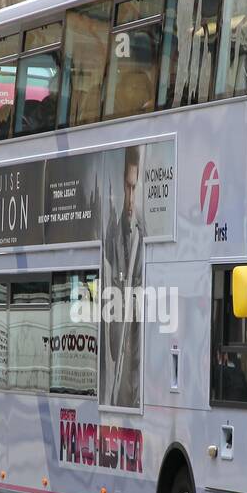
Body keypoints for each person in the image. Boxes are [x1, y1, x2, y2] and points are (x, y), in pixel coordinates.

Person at [101, 145, 144, 409]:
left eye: (135, 189)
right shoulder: (112, 236)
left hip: (133, 390)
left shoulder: (143, 241)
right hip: (115, 387)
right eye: (127, 189)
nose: (130, 199)